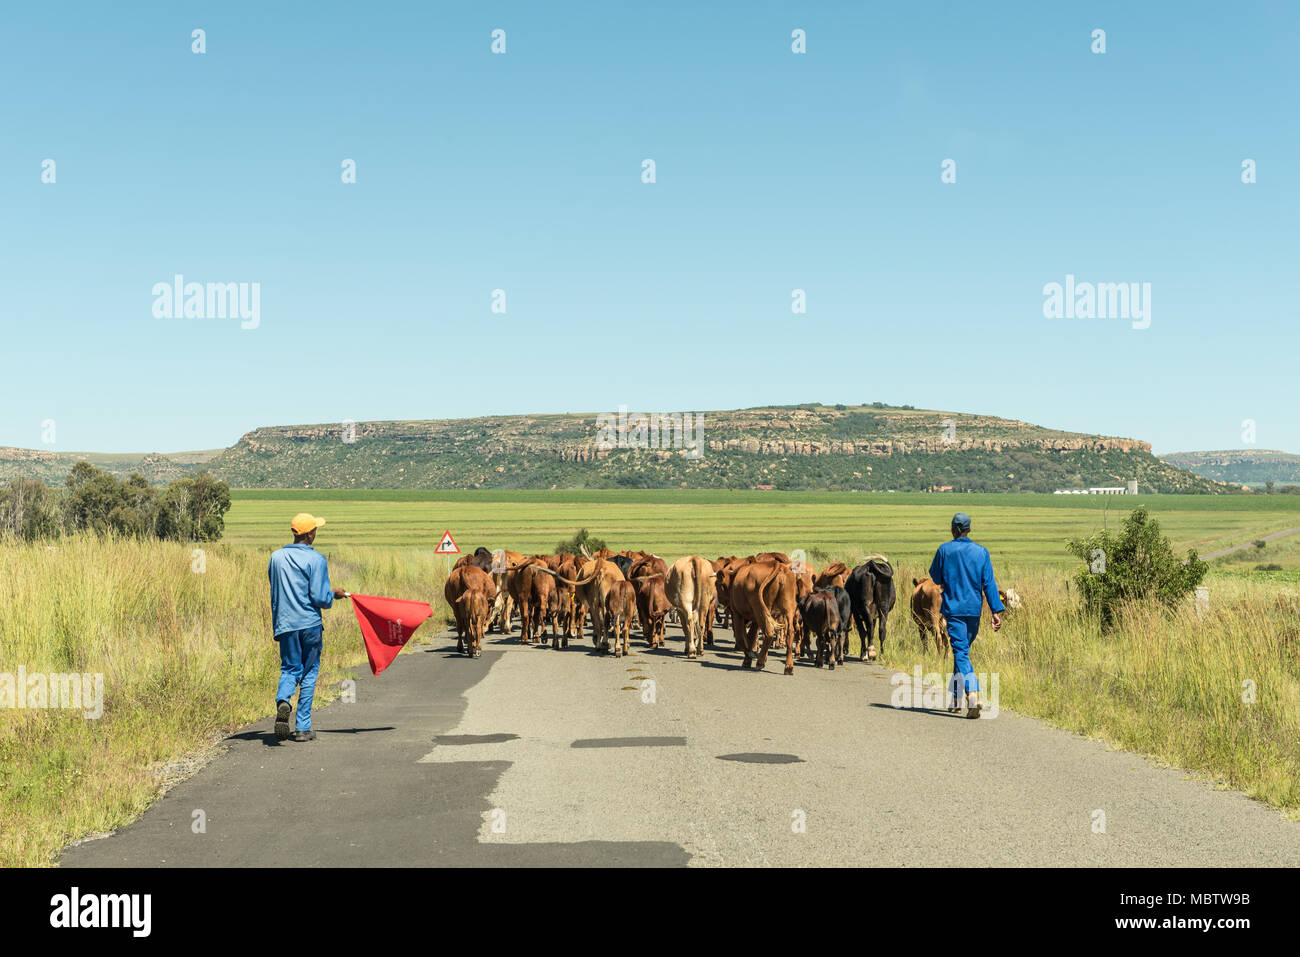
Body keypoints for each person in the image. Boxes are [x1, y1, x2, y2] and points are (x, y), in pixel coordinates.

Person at [269, 513, 347, 742]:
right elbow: (320, 597)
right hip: (310, 624)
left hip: (285, 624)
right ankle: (303, 727)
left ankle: (284, 700)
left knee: (290, 668)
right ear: (310, 533)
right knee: (309, 672)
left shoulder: (276, 557)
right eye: (315, 530)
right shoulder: (317, 560)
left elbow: (275, 590)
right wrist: (335, 594)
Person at [927, 512, 1003, 719]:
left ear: (953, 530)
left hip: (954, 609)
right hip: (974, 610)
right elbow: (989, 583)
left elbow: (935, 576)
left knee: (960, 652)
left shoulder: (945, 550)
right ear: (969, 529)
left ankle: (973, 695)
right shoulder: (982, 552)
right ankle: (955, 698)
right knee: (962, 651)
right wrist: (995, 611)